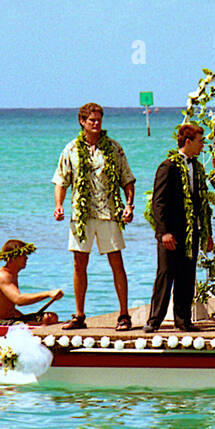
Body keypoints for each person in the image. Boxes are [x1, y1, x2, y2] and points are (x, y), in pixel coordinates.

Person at [52, 102, 136, 331]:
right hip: (81, 215)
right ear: (82, 122)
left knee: (116, 261)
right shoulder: (70, 149)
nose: (96, 124)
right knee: (79, 263)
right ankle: (79, 315)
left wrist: (129, 205)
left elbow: (127, 178)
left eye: (99, 120)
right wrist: (58, 205)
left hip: (109, 213)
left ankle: (124, 315)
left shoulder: (114, 148)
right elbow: (61, 180)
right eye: (92, 120)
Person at [146, 123, 211, 333]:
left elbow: (203, 204)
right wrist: (163, 231)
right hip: (171, 232)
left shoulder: (198, 168)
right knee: (165, 274)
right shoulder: (168, 166)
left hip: (191, 232)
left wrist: (207, 234)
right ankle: (154, 320)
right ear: (189, 142)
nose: (203, 146)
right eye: (201, 141)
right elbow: (159, 202)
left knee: (187, 276)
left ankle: (183, 319)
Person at [0, 240, 64, 325]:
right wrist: (48, 294)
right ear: (13, 258)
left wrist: (25, 318)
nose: (26, 258)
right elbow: (18, 300)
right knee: (45, 320)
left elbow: (8, 307)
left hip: (13, 318)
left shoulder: (12, 274)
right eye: (23, 255)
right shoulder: (2, 276)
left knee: (51, 317)